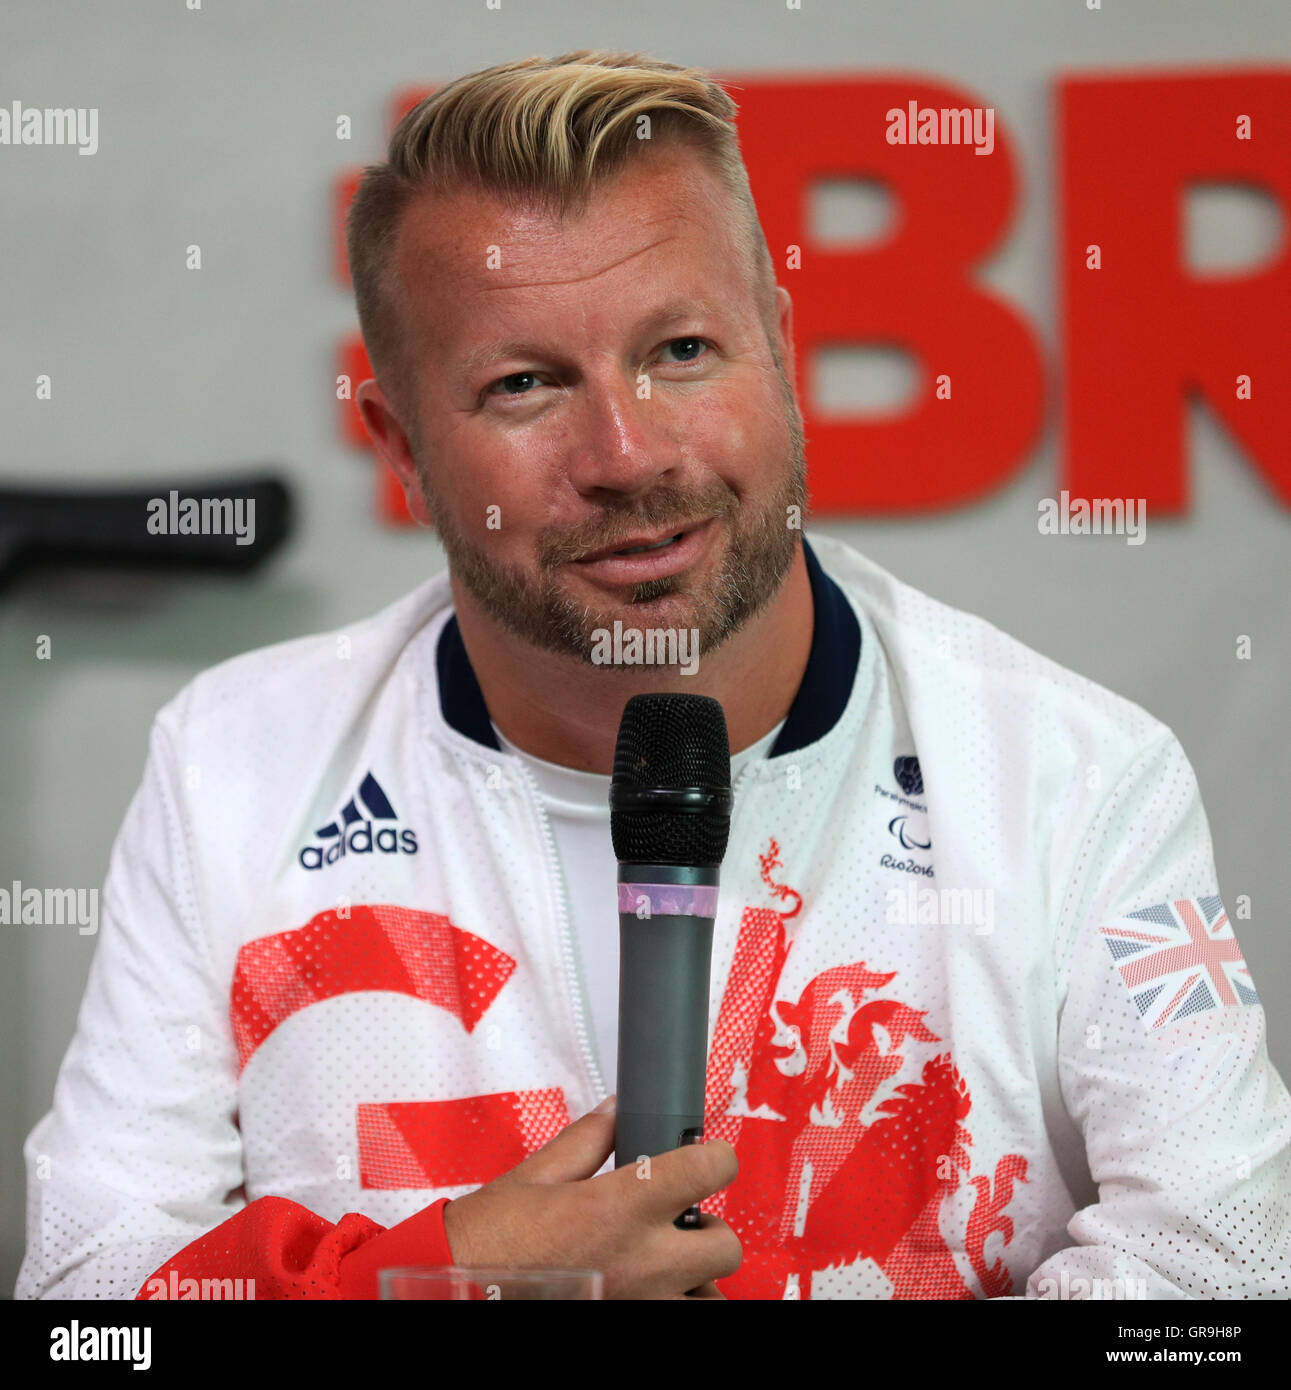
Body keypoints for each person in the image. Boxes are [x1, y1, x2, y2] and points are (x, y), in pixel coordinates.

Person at [17, 49, 1290, 1302]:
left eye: (679, 352)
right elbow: (87, 1312)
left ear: (779, 348)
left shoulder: (1075, 775)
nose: (625, 454)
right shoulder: (233, 764)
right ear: (401, 446)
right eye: (524, 384)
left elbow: (1228, 1278)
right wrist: (437, 1287)